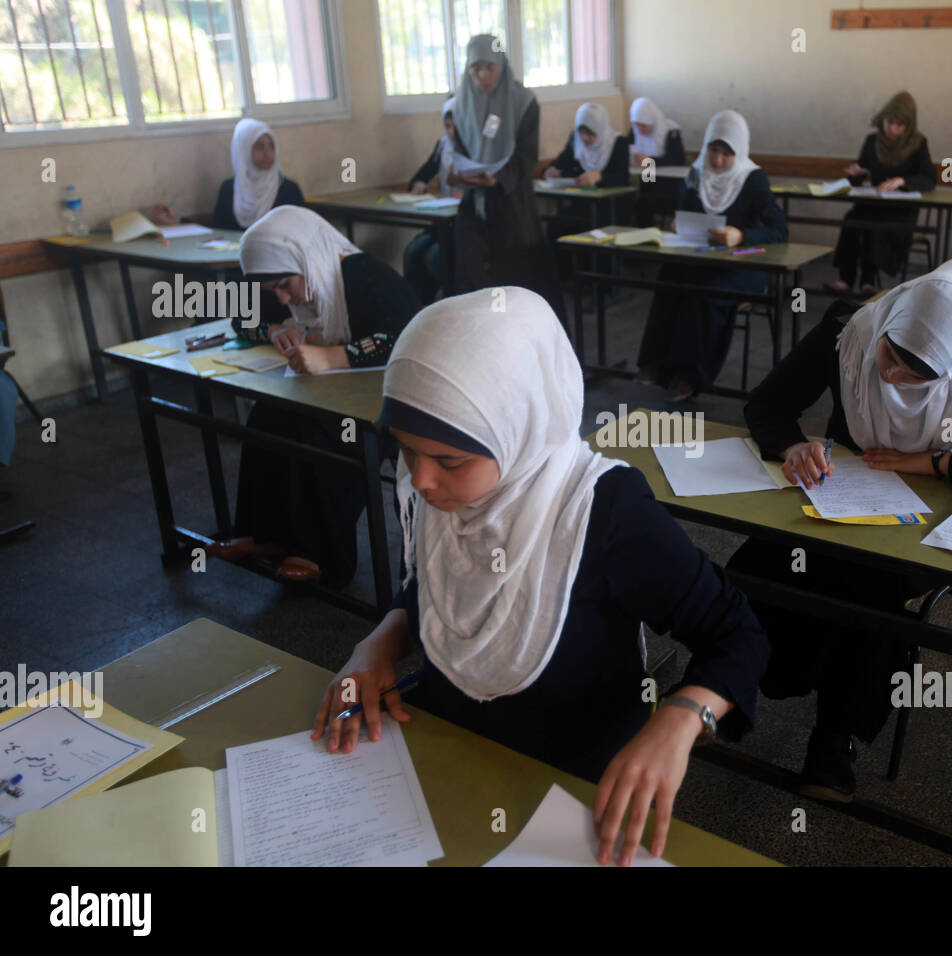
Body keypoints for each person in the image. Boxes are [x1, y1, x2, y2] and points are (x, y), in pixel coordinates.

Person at [309, 287, 769, 865]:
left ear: (518, 428)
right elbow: (438, 581)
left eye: (449, 460)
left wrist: (682, 717)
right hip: (450, 744)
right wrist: (377, 644)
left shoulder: (603, 511)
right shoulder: (447, 491)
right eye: (405, 450)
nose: (420, 480)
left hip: (567, 779)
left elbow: (738, 632)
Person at [730, 259, 952, 801]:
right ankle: (726, 688)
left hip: (918, 528)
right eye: (890, 356)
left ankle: (834, 738)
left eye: (917, 375)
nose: (891, 376)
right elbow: (767, 405)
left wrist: (940, 465)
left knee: (869, 589)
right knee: (757, 564)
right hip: (834, 506)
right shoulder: (851, 331)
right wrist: (792, 444)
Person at [208, 206, 419, 586]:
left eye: (285, 285)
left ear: (305, 258)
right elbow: (241, 318)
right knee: (267, 417)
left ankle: (318, 553)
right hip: (325, 392)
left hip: (382, 402)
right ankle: (265, 536)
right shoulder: (281, 279)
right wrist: (273, 329)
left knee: (317, 434)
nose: (283, 298)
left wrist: (337, 356)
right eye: (273, 291)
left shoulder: (361, 273)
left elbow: (409, 334)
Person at [635, 109, 788, 400]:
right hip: (702, 257)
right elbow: (684, 211)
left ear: (739, 151)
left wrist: (741, 235)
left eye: (726, 154)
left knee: (705, 292)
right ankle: (656, 363)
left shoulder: (752, 178)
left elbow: (779, 230)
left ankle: (689, 375)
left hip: (745, 263)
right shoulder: (697, 172)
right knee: (669, 278)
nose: (717, 161)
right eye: (713, 151)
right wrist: (677, 223)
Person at [445, 35, 566, 327]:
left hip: (512, 205)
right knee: (472, 280)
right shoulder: (459, 106)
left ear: (501, 64)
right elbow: (460, 153)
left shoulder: (523, 103)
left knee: (518, 284)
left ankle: (527, 343)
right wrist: (459, 175)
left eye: (489, 67)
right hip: (474, 207)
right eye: (475, 68)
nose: (482, 75)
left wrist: (497, 179)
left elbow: (526, 156)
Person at [827, 91, 936, 297]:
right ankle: (845, 279)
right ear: (883, 118)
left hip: (900, 211)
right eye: (890, 122)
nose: (893, 129)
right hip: (873, 204)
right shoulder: (872, 141)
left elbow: (929, 179)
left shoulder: (918, 143)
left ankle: (868, 282)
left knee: (874, 227)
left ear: (908, 126)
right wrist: (856, 173)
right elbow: (861, 174)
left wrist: (903, 181)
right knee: (851, 220)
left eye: (899, 125)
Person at [153, 118, 306, 231]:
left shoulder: (288, 189)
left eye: (272, 147)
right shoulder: (229, 189)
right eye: (259, 147)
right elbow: (219, 229)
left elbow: (299, 232)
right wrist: (178, 221)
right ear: (243, 151)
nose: (268, 154)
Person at [543, 102, 630, 265]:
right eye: (581, 132)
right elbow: (561, 162)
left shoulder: (618, 143)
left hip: (610, 207)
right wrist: (551, 170)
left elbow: (623, 178)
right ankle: (565, 276)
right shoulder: (575, 141)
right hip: (582, 205)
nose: (584, 138)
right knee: (556, 226)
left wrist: (600, 177)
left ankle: (594, 276)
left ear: (600, 130)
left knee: (592, 229)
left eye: (590, 134)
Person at [402, 98, 463, 304]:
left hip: (468, 224)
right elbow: (423, 174)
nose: (451, 132)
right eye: (447, 127)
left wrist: (467, 195)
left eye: (456, 127)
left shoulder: (480, 148)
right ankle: (417, 310)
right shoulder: (442, 145)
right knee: (413, 252)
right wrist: (419, 184)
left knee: (435, 256)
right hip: (443, 221)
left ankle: (450, 302)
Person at [628, 96, 686, 226]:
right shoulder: (635, 131)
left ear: (653, 121)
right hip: (647, 179)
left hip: (669, 183)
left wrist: (651, 160)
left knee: (652, 200)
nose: (640, 129)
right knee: (642, 201)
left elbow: (678, 158)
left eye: (644, 125)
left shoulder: (671, 131)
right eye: (637, 125)